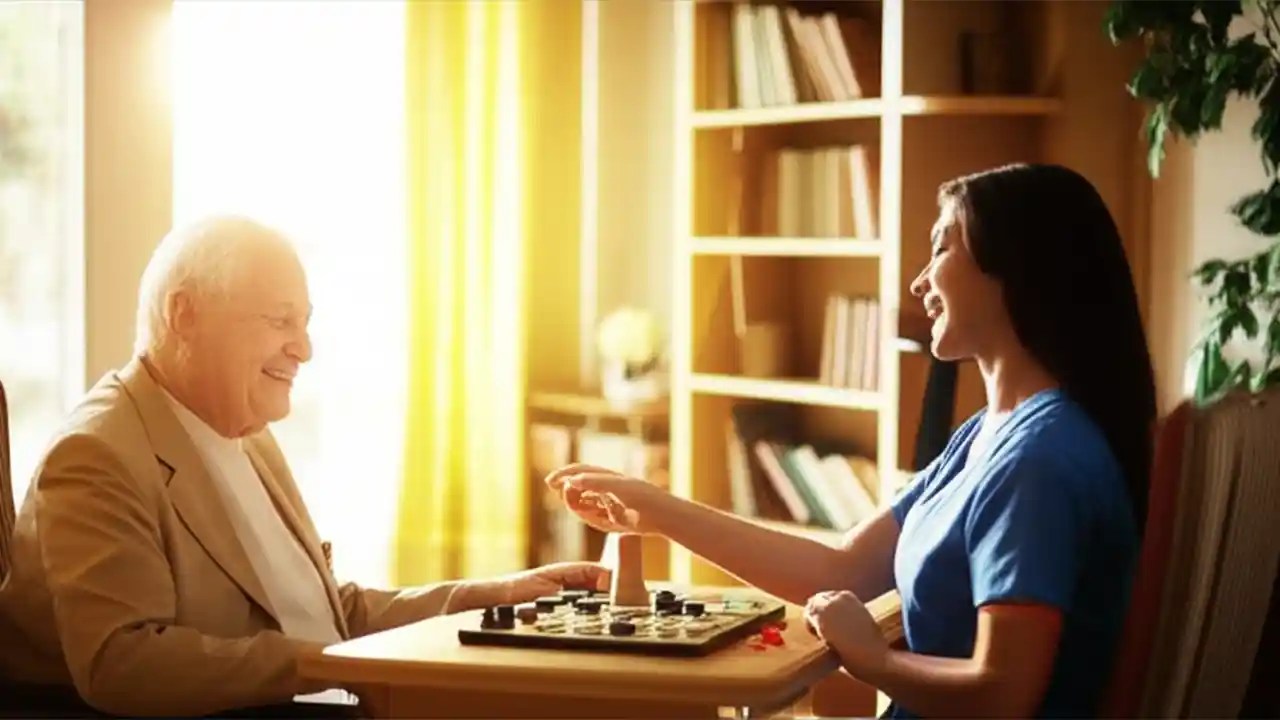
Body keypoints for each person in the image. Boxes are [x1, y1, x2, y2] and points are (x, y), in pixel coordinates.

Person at [546, 163, 1156, 718]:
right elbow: (841, 568)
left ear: (1015, 270)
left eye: (941, 247)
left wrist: (875, 661)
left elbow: (1003, 693)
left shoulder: (1038, 461)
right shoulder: (987, 435)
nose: (919, 282)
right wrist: (653, 508)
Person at [0, 216, 608, 718]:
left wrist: (486, 597)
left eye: (305, 322)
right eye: (279, 320)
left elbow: (324, 611)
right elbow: (122, 664)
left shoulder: (246, 433)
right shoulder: (96, 454)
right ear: (184, 315)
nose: (304, 348)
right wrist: (327, 663)